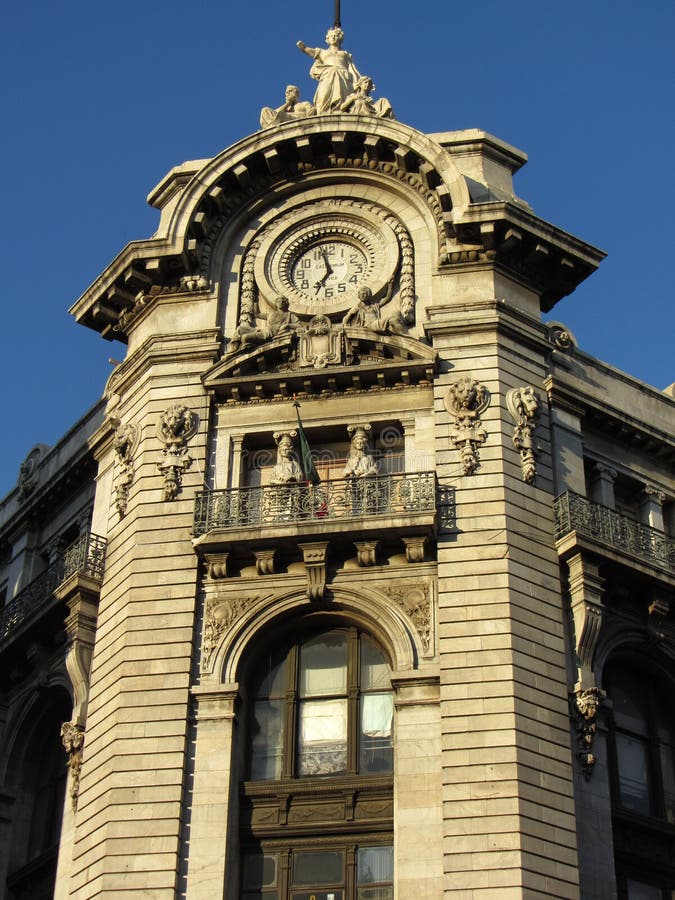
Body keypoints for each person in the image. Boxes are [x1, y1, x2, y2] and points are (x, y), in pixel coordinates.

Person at [297, 27, 360, 114]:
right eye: (331, 36)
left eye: (335, 36)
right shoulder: (323, 52)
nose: (333, 37)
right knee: (324, 94)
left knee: (342, 95)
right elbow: (312, 52)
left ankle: (338, 109)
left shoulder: (345, 54)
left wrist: (357, 82)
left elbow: (351, 68)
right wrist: (304, 48)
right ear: (327, 39)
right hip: (328, 75)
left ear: (340, 38)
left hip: (343, 76)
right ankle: (322, 111)